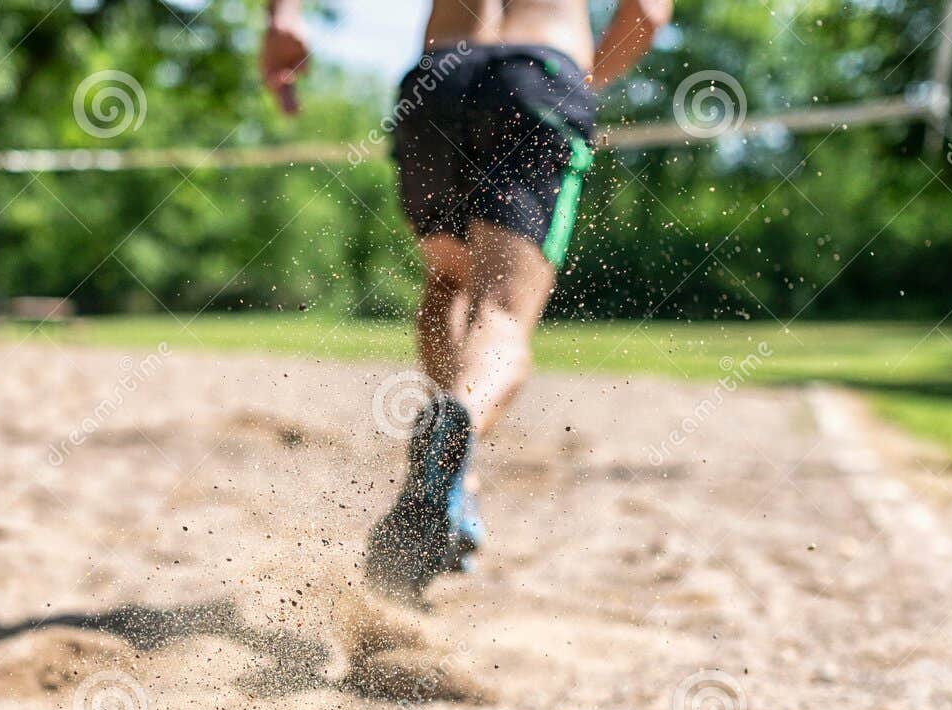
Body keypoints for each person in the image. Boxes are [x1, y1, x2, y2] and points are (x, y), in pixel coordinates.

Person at [261, 0, 673, 600]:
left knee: (449, 283)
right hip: (538, 74)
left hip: (439, 78)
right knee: (501, 315)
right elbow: (648, 12)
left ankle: (455, 485)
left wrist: (285, 15)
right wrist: (580, 79)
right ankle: (456, 430)